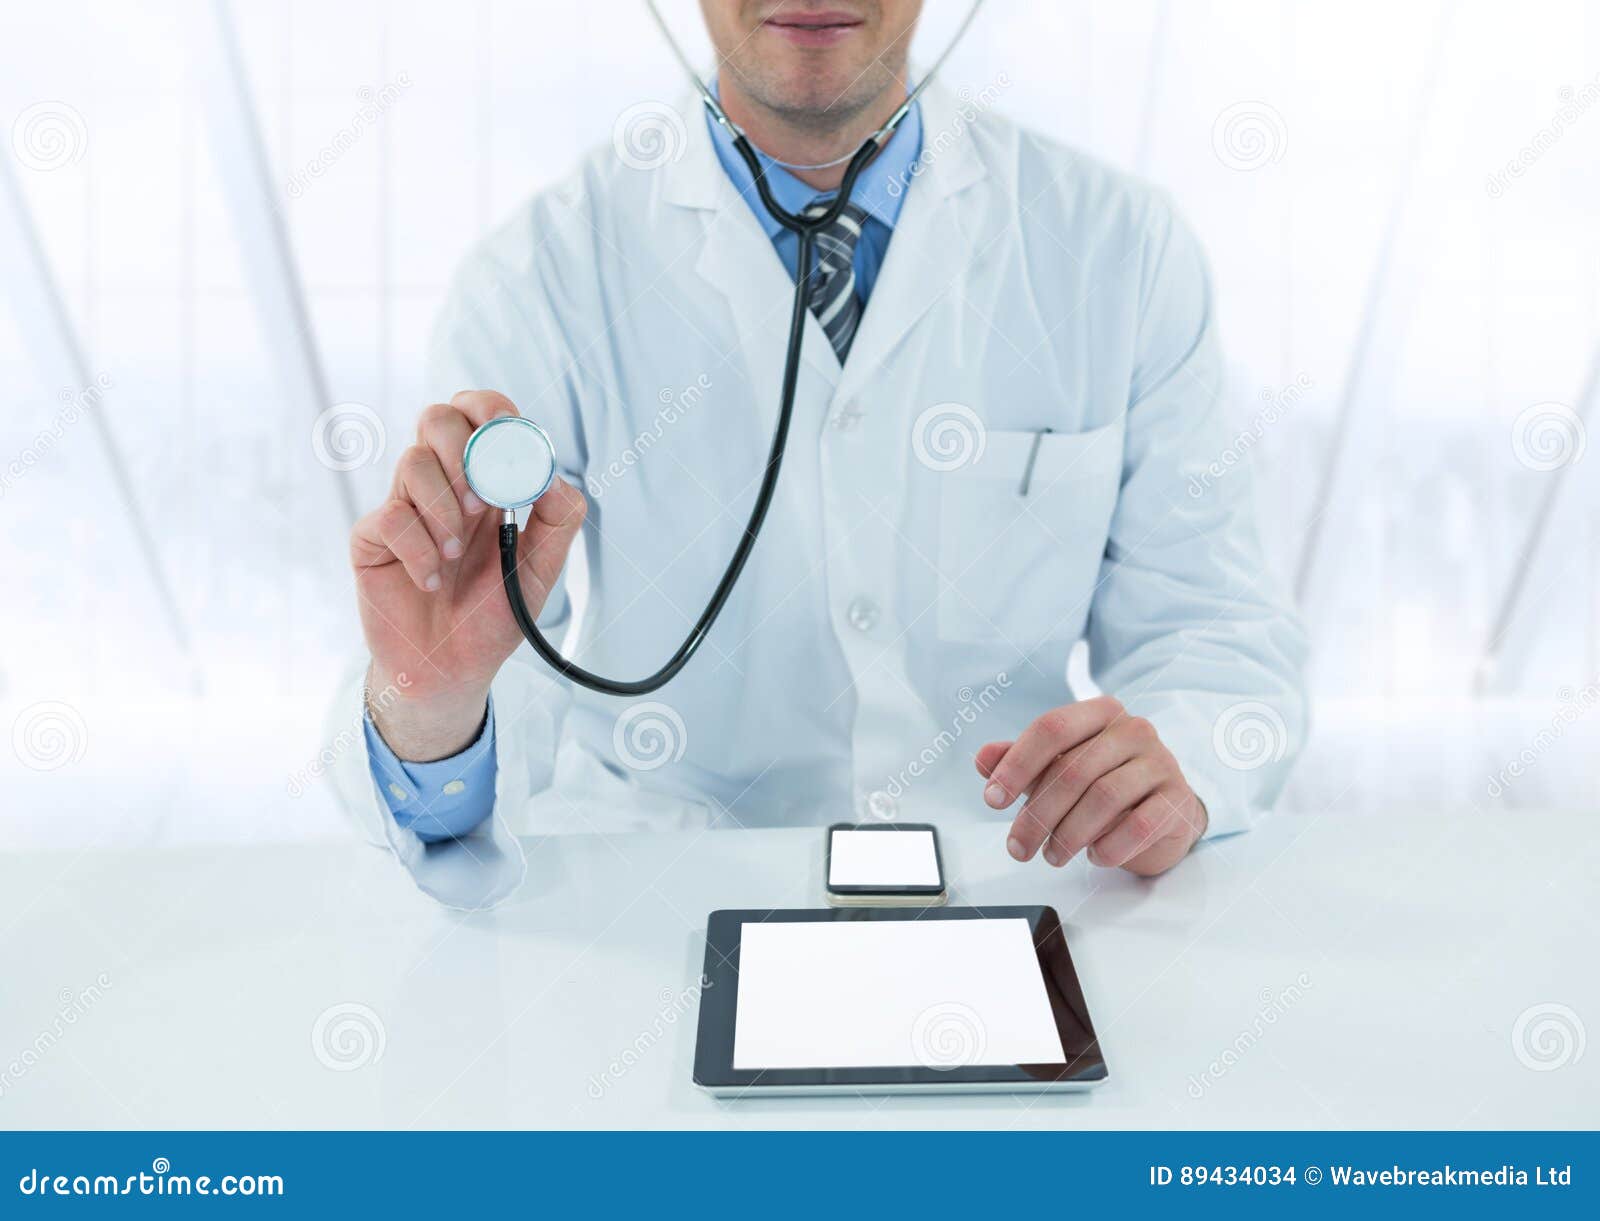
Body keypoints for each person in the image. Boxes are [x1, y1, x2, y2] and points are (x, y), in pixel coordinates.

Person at [327, 0, 1307, 907]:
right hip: (658, 899)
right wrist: (433, 705)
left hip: (1013, 880)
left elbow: (1215, 640)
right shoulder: (539, 276)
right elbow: (476, 732)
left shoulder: (1117, 249)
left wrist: (1177, 767)